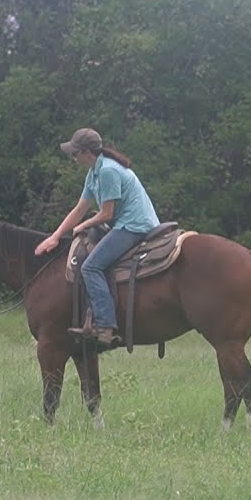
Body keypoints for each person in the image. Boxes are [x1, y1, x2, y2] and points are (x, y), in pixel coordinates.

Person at [35, 128, 160, 346]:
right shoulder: (94, 172)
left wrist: (84, 225)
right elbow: (79, 209)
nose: (73, 157)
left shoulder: (107, 171)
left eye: (75, 153)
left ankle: (105, 325)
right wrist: (55, 236)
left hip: (134, 226)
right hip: (123, 224)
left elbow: (106, 213)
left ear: (86, 152)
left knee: (91, 267)